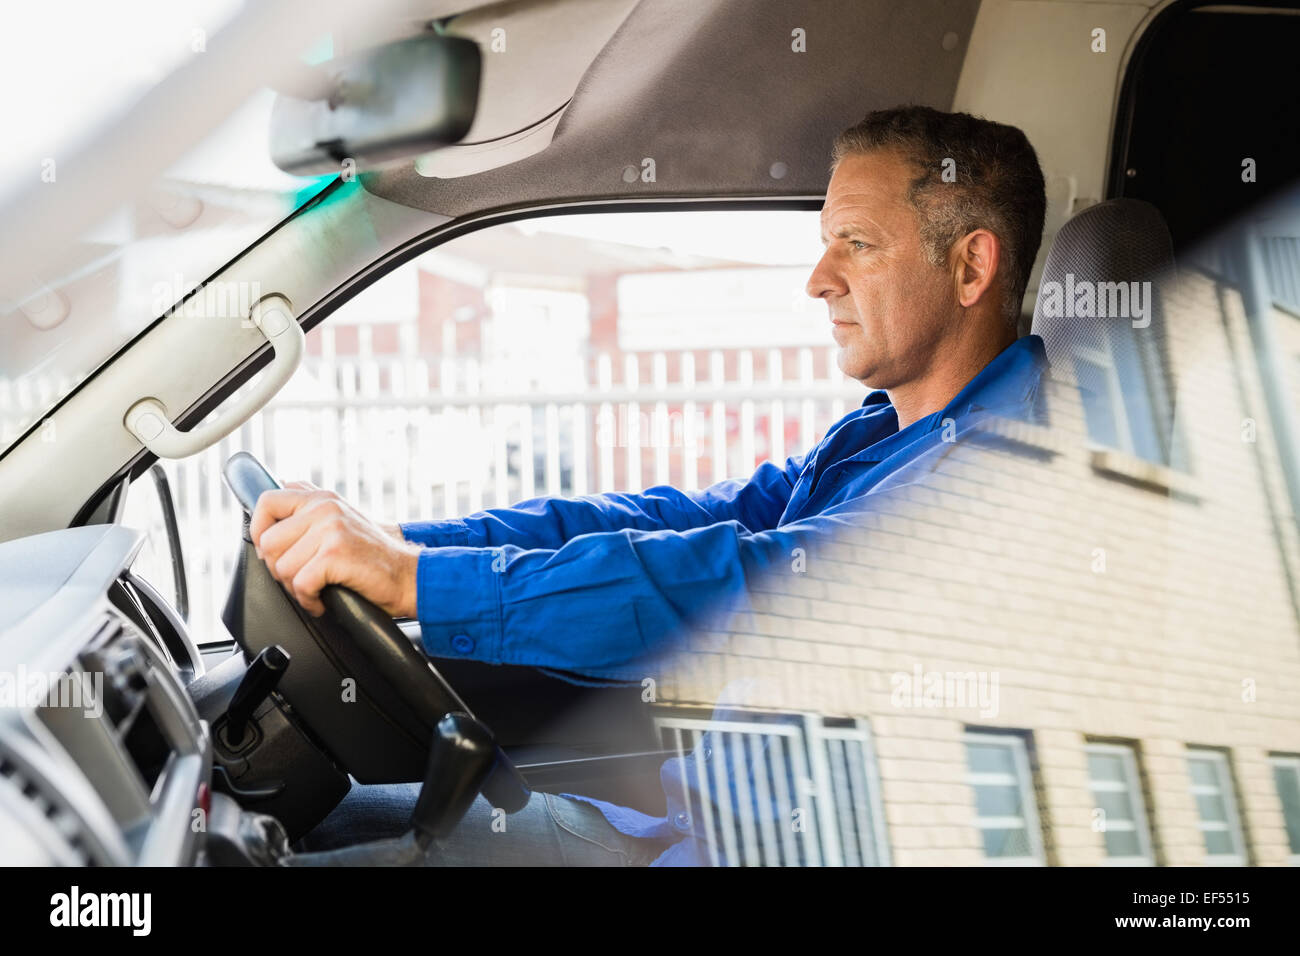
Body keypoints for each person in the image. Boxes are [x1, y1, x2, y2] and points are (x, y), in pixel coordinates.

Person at [253, 105, 1051, 865]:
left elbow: (744, 584)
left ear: (970, 265)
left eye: (857, 243)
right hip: (677, 836)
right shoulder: (881, 432)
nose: (818, 278)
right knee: (306, 832)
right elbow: (681, 520)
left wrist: (415, 581)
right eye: (824, 242)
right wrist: (408, 546)